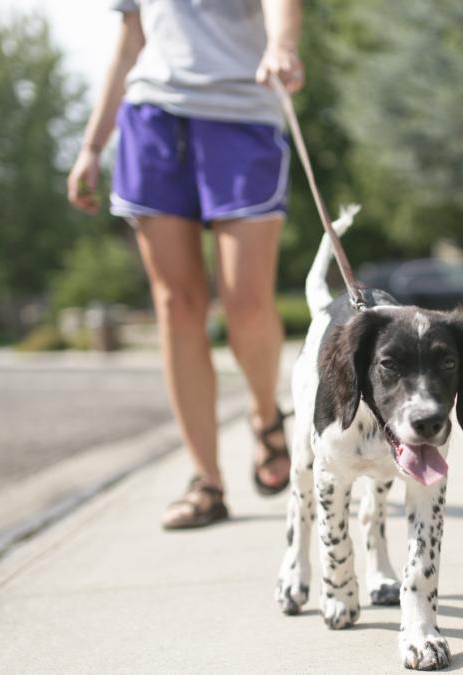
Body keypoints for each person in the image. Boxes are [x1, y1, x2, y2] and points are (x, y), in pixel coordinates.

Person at [67, 0, 303, 529]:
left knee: (246, 303)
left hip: (241, 115)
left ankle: (265, 415)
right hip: (152, 118)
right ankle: (206, 481)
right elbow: (131, 40)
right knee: (176, 305)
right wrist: (91, 145)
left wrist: (282, 45)